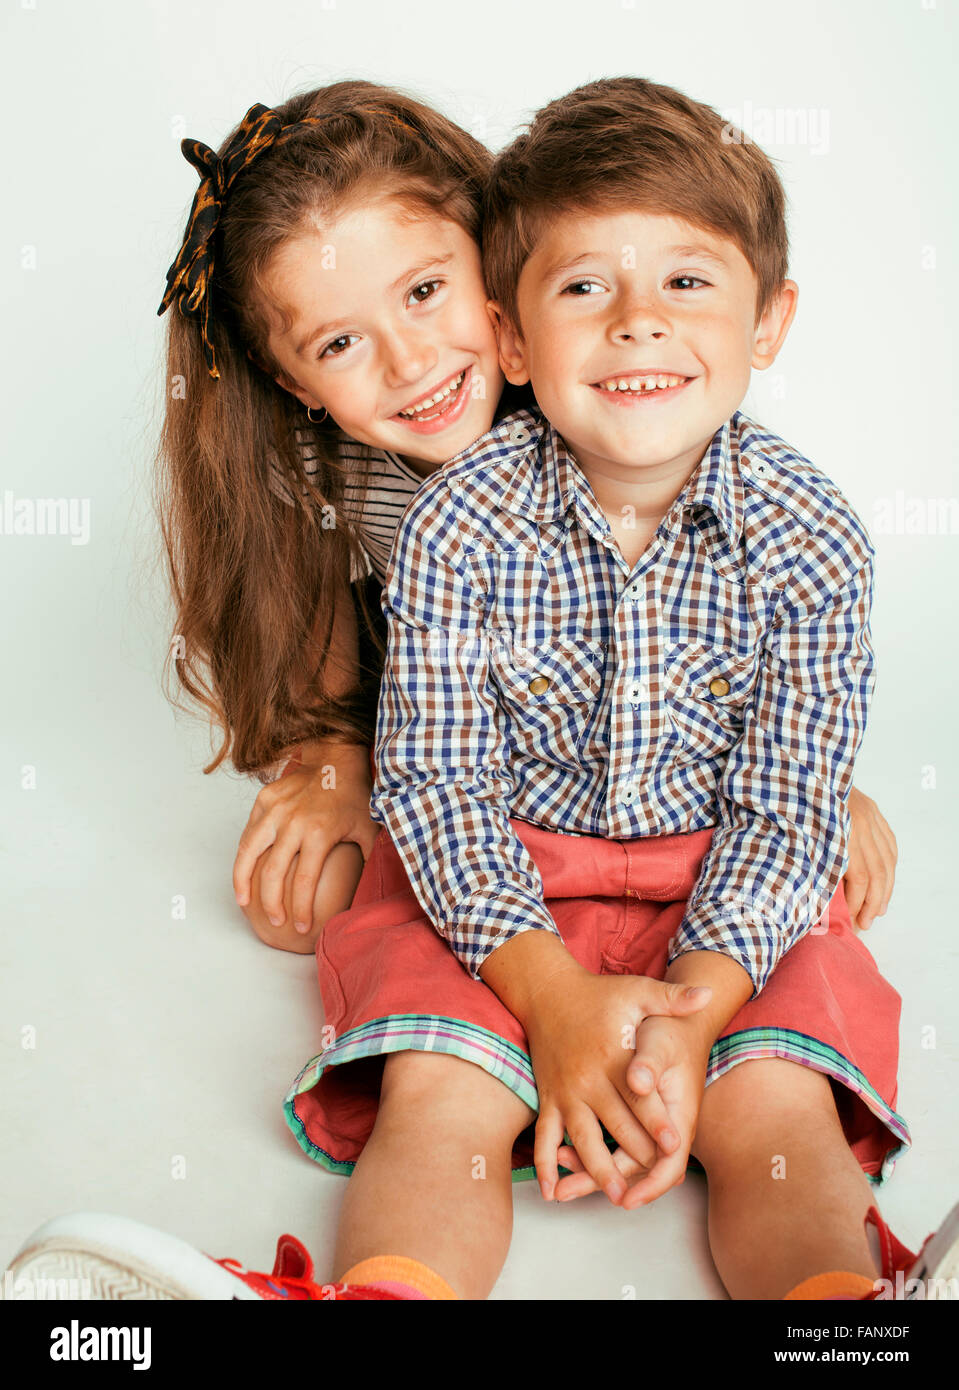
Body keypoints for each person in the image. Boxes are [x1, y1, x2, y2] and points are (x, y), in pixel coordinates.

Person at [2, 78, 923, 1305]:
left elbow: (772, 723)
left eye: (425, 293)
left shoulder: (699, 442)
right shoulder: (434, 512)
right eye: (337, 341)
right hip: (493, 840)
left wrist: (784, 829)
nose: (410, 359)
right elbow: (426, 766)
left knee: (774, 1103)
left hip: (708, 840)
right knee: (437, 1096)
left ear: (492, 304)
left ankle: (849, 1315)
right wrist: (338, 770)